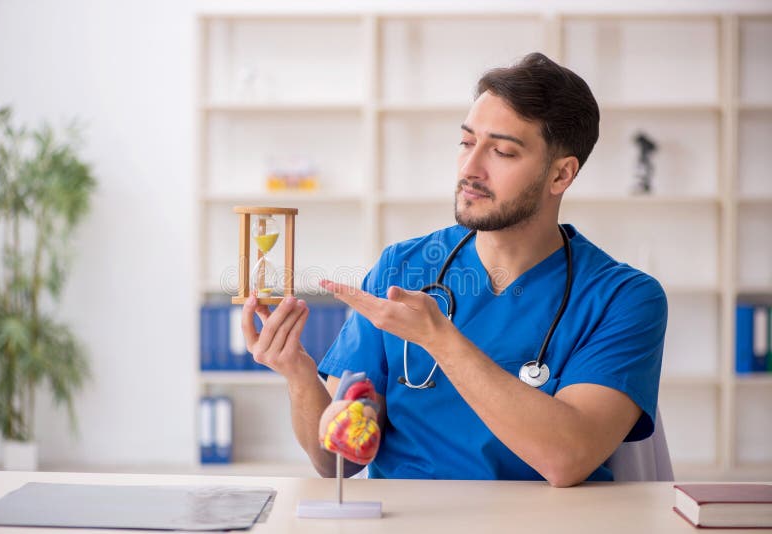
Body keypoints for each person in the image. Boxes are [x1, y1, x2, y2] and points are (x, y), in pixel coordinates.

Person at [240, 52, 667, 487]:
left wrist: (439, 338)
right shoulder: (401, 269)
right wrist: (297, 373)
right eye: (466, 143)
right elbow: (336, 462)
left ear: (561, 175)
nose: (470, 168)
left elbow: (568, 459)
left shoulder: (624, 298)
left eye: (501, 151)